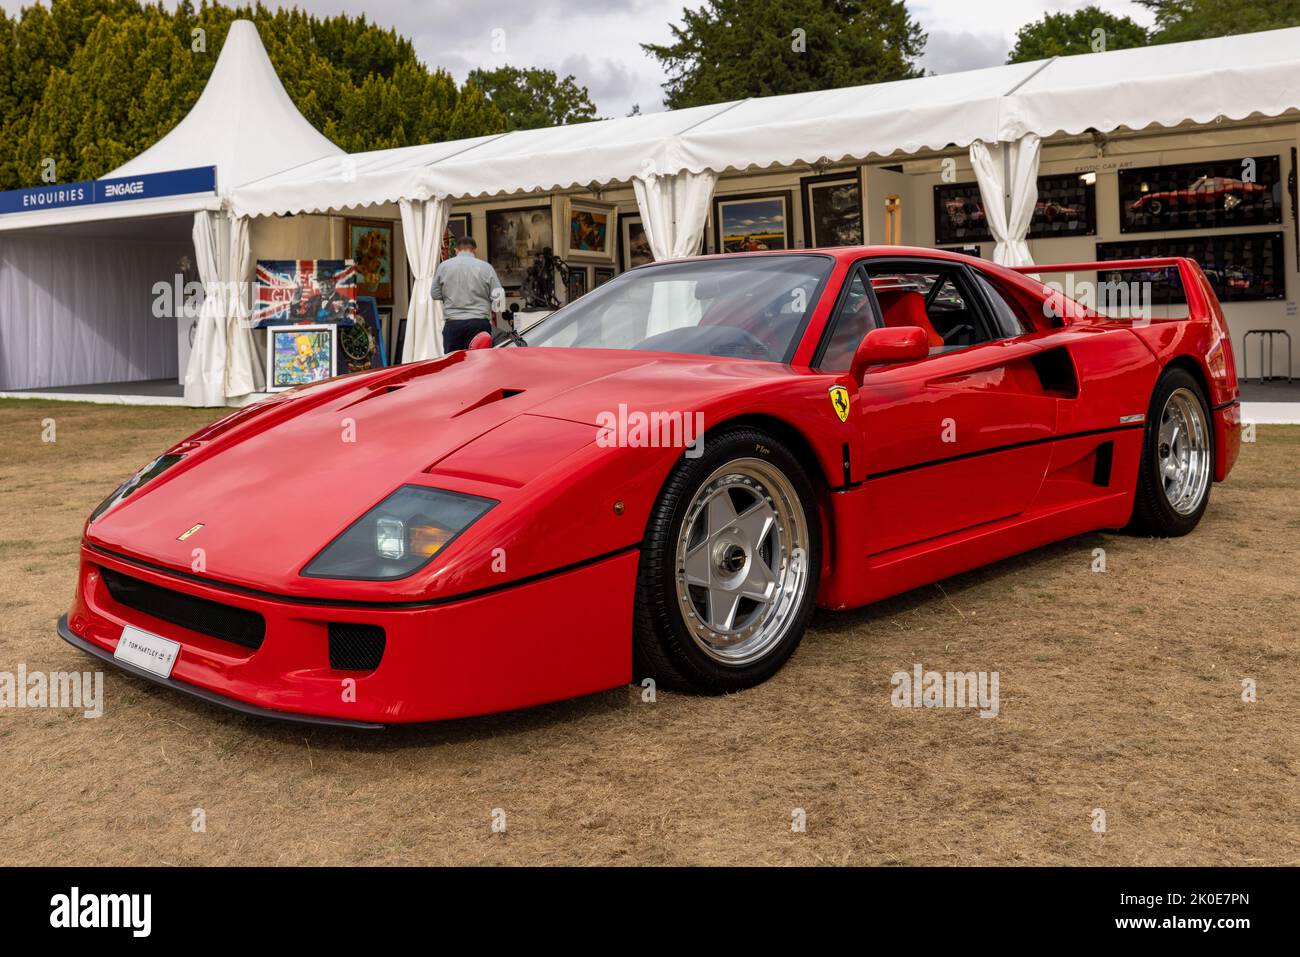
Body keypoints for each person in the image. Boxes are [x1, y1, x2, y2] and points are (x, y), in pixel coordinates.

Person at [429, 236, 505, 352]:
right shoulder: (486, 267)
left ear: (456, 250)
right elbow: (497, 294)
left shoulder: (443, 267)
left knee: (453, 364)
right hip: (479, 323)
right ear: (474, 250)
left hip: (453, 324)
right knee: (479, 363)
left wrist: (450, 296)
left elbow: (434, 293)